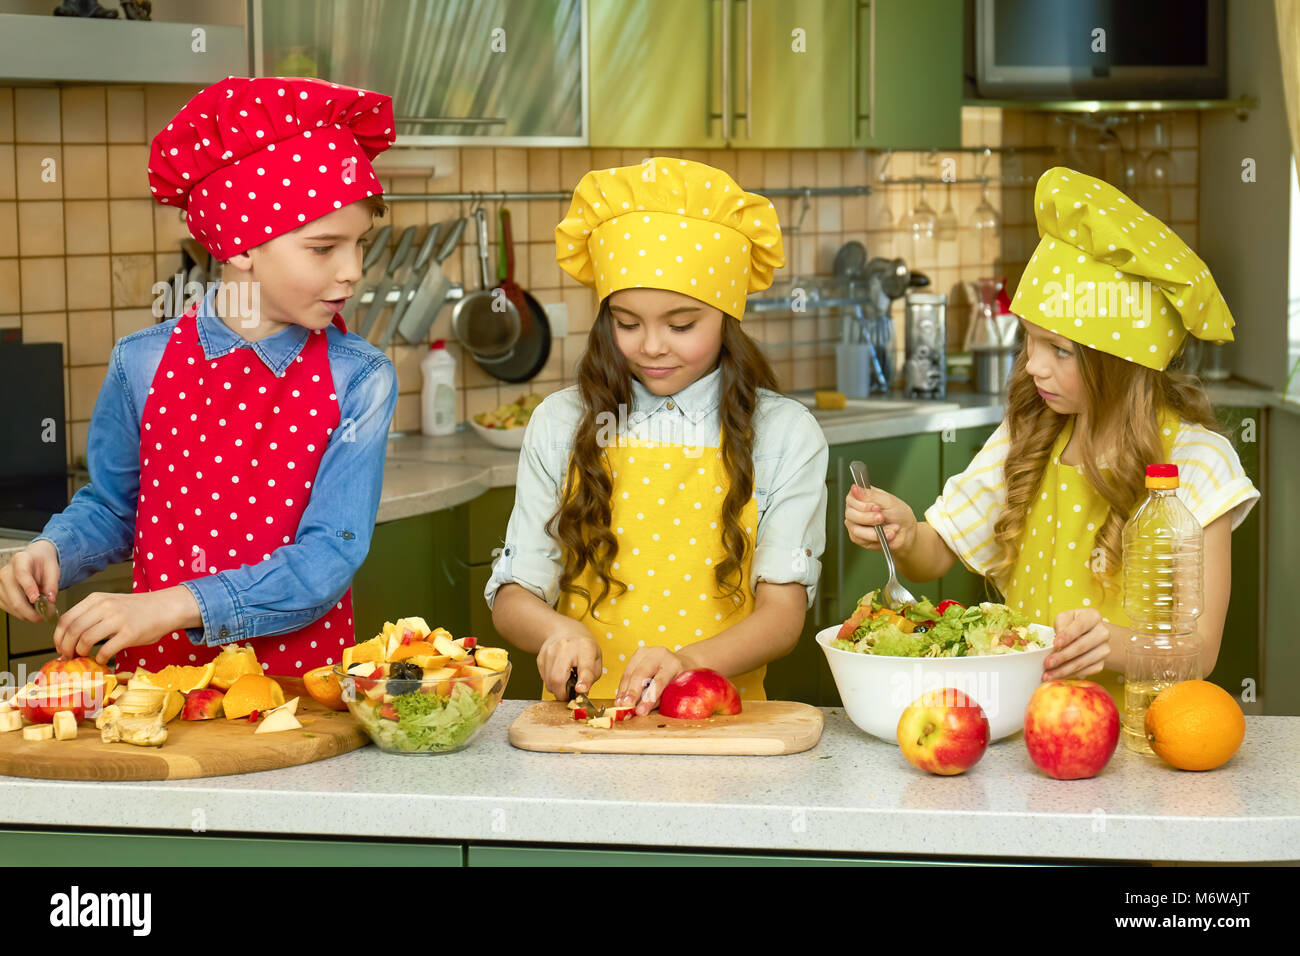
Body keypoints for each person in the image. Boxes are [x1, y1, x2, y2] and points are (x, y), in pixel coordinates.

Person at [0, 76, 399, 674]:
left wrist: (169, 605)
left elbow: (326, 560)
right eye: (323, 248)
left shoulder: (360, 378)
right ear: (240, 246)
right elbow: (114, 507)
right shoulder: (141, 361)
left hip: (299, 703)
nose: (352, 272)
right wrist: (53, 547)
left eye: (360, 243)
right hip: (153, 694)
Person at [845, 167, 1259, 709]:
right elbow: (936, 551)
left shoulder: (1198, 463)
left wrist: (1106, 643)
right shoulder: (1029, 434)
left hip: (1140, 742)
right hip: (1022, 727)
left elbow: (1198, 651)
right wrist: (902, 533)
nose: (1033, 366)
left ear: (1123, 362)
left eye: (1060, 350)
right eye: (1029, 341)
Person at [486, 158, 828, 714]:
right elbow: (514, 593)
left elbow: (782, 619)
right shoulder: (559, 423)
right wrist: (553, 632)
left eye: (682, 324)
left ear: (726, 316)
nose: (651, 346)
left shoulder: (785, 434)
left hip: (720, 722)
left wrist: (688, 663)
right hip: (581, 725)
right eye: (626, 322)